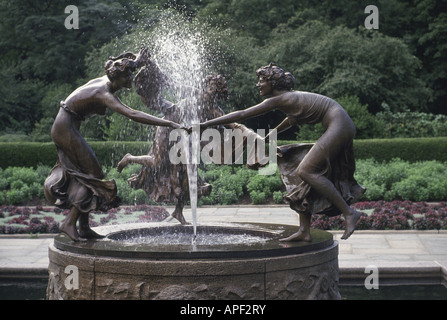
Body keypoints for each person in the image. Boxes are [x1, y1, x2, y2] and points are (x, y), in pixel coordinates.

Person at [200, 63, 365, 241]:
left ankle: (349, 213)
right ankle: (304, 231)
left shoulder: (280, 99)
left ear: (273, 83)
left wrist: (205, 124)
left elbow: (242, 114)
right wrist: (272, 134)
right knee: (299, 173)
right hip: (340, 124)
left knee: (306, 171)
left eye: (262, 80)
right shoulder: (289, 99)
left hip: (339, 125)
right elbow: (291, 119)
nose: (258, 84)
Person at [43, 49, 184, 242]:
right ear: (118, 77)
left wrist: (138, 60)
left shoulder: (108, 78)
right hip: (64, 130)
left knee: (89, 175)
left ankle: (83, 227)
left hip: (66, 127)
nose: (131, 80)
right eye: (128, 77)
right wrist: (167, 122)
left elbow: (123, 64)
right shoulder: (104, 93)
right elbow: (132, 114)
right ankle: (69, 223)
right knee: (94, 175)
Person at [117, 70, 260, 224]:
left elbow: (232, 124)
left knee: (188, 175)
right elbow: (174, 85)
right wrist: (159, 75)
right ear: (205, 86)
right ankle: (130, 158)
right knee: (158, 162)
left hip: (184, 138)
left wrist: (245, 133)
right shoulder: (195, 93)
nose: (212, 91)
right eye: (211, 87)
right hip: (168, 127)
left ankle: (178, 211)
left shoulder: (216, 111)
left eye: (216, 90)